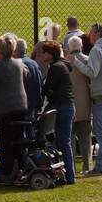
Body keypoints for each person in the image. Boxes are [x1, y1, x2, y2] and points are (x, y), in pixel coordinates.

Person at [68, 23, 102, 177]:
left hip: (100, 95)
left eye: (92, 32)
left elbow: (92, 72)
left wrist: (76, 62)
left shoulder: (96, 50)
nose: (90, 35)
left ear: (97, 34)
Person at [0, 35, 29, 180]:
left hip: (5, 109)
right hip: (21, 106)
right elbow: (27, 75)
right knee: (18, 138)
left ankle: (6, 170)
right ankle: (22, 166)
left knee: (5, 141)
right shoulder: (20, 64)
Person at [39, 39, 76, 184]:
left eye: (45, 53)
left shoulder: (56, 68)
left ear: (51, 54)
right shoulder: (64, 65)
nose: (42, 56)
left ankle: (69, 176)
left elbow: (46, 88)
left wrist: (50, 91)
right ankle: (65, 174)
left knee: (63, 141)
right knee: (61, 141)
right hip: (67, 106)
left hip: (62, 106)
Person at [67, 36, 93, 175]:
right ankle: (87, 166)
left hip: (70, 105)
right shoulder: (87, 60)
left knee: (69, 137)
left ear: (69, 48)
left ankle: (71, 166)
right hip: (85, 106)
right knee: (86, 138)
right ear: (82, 47)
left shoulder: (65, 63)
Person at [13, 37, 43, 118]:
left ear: (14, 50)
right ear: (26, 50)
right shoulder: (34, 63)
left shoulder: (16, 64)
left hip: (23, 103)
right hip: (34, 101)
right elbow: (40, 81)